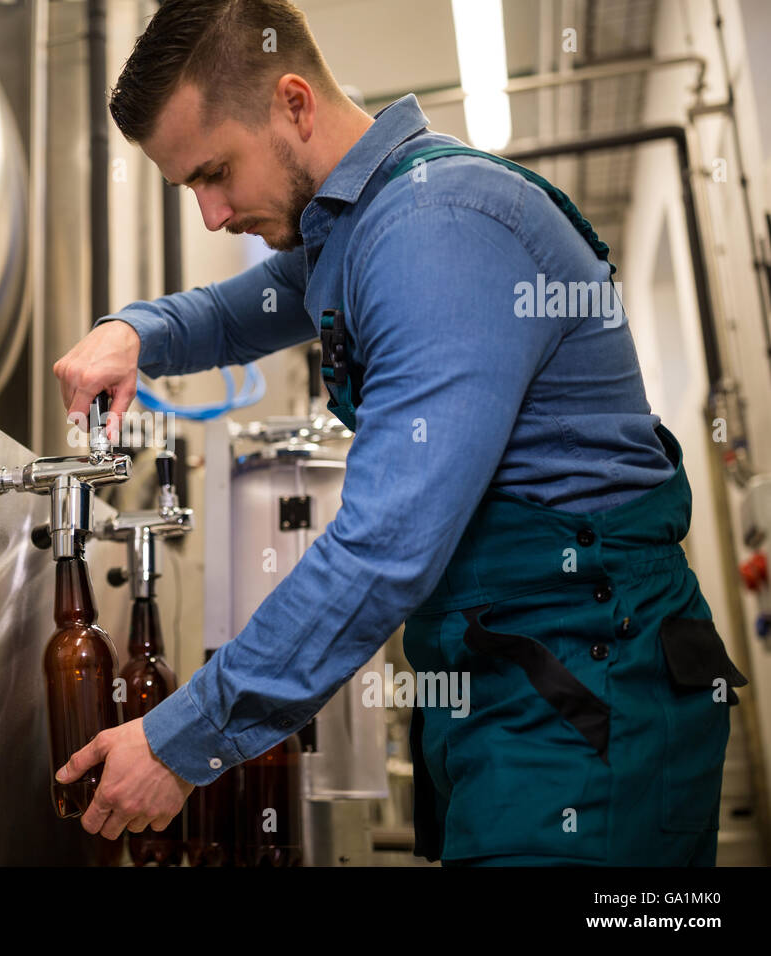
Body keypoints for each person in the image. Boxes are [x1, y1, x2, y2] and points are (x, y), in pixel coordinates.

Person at [52, 0, 745, 865]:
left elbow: (383, 549)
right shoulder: (363, 225)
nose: (211, 214)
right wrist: (136, 333)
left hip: (590, 690)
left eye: (215, 173)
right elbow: (236, 315)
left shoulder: (436, 230)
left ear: (294, 104)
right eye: (190, 186)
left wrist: (179, 738)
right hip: (511, 679)